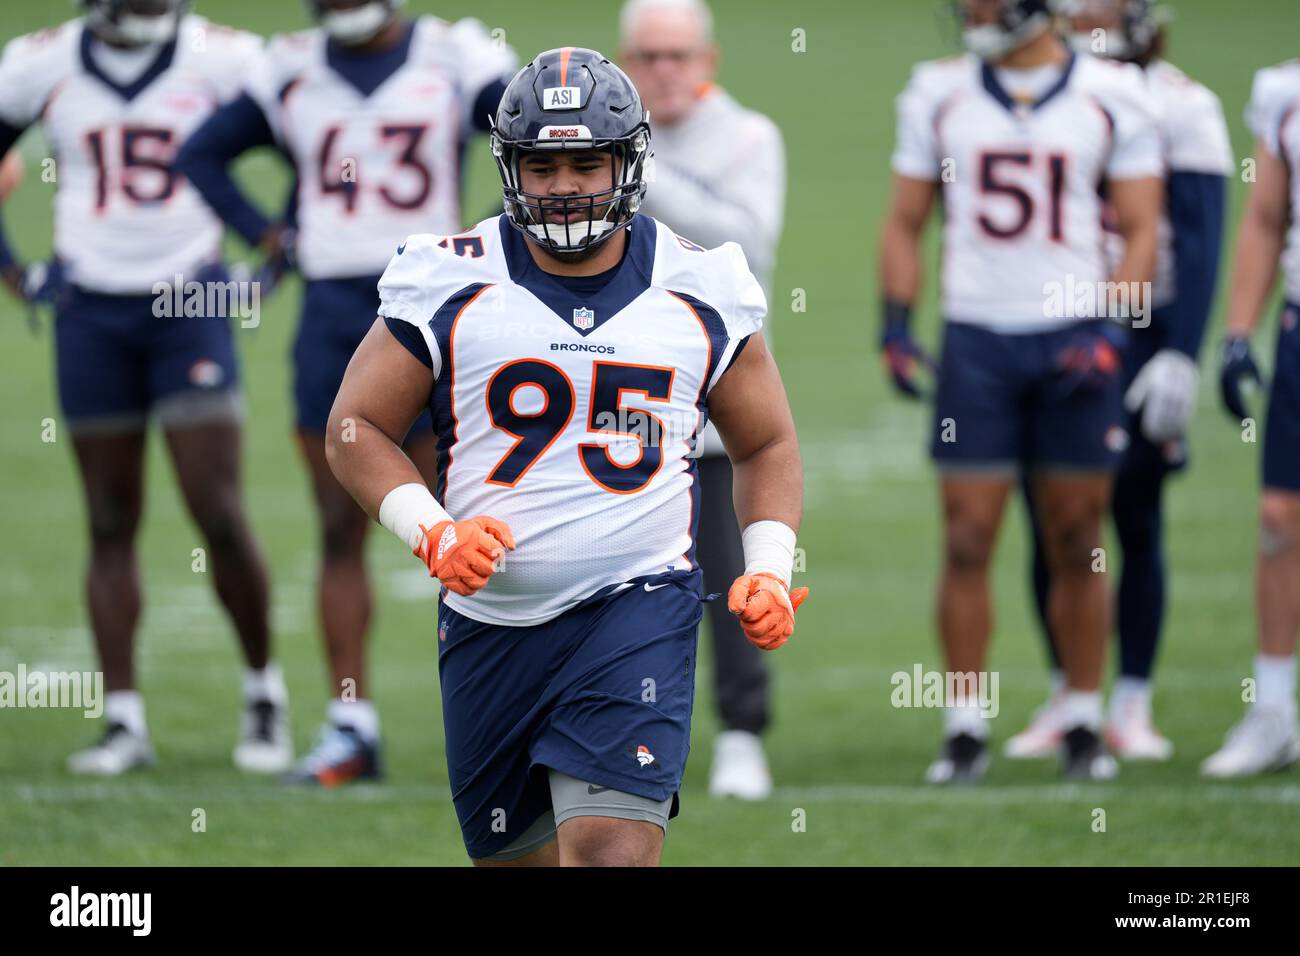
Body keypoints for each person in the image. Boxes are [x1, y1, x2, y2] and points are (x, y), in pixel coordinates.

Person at [326, 48, 808, 865]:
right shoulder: (448, 276)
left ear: (631, 160)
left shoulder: (701, 281)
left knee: (609, 855)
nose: (564, 185)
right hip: (490, 625)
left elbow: (765, 440)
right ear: (510, 168)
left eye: (588, 162)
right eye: (541, 165)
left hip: (637, 605)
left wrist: (765, 561)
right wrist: (432, 531)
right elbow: (355, 427)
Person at [173, 0, 516, 785]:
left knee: (472, 519)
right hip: (333, 308)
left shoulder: (456, 55)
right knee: (342, 523)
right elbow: (201, 153)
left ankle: (503, 712)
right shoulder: (289, 65)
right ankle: (350, 722)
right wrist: (272, 233)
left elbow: (532, 141)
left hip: (437, 305)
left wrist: (481, 241)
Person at [0, 0, 288, 776]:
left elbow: (316, 142)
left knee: (217, 510)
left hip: (188, 306)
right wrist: (15, 272)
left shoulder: (225, 58)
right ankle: (123, 718)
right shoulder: (40, 61)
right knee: (106, 516)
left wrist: (273, 254)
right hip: (89, 309)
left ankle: (265, 691)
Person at [880, 0, 1162, 781]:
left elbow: (1142, 224)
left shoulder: (1113, 92)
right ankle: (965, 725)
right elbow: (906, 219)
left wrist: (1110, 330)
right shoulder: (937, 92)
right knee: (968, 537)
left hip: (1074, 336)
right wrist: (895, 324)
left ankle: (1081, 719)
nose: (971, 12)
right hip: (977, 339)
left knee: (1078, 538)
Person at [1007, 0, 1232, 762]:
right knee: (1052, 519)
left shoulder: (1182, 103)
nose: (1085, 12)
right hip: (1053, 323)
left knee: (1134, 512)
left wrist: (1182, 352)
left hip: (1141, 328)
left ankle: (1129, 700)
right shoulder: (1037, 94)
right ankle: (1071, 695)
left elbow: (1198, 239)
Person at [619, 0, 787, 799]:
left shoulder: (749, 137)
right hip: (614, 402)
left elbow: (744, 243)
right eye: (648, 56)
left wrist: (639, 172)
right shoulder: (599, 139)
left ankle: (744, 733)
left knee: (729, 576)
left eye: (678, 55)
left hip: (712, 399)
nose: (664, 71)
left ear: (707, 57)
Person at [1202, 59, 1300, 777]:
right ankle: (1272, 710)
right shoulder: (1283, 90)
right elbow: (1268, 217)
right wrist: (1240, 332)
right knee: (1278, 519)